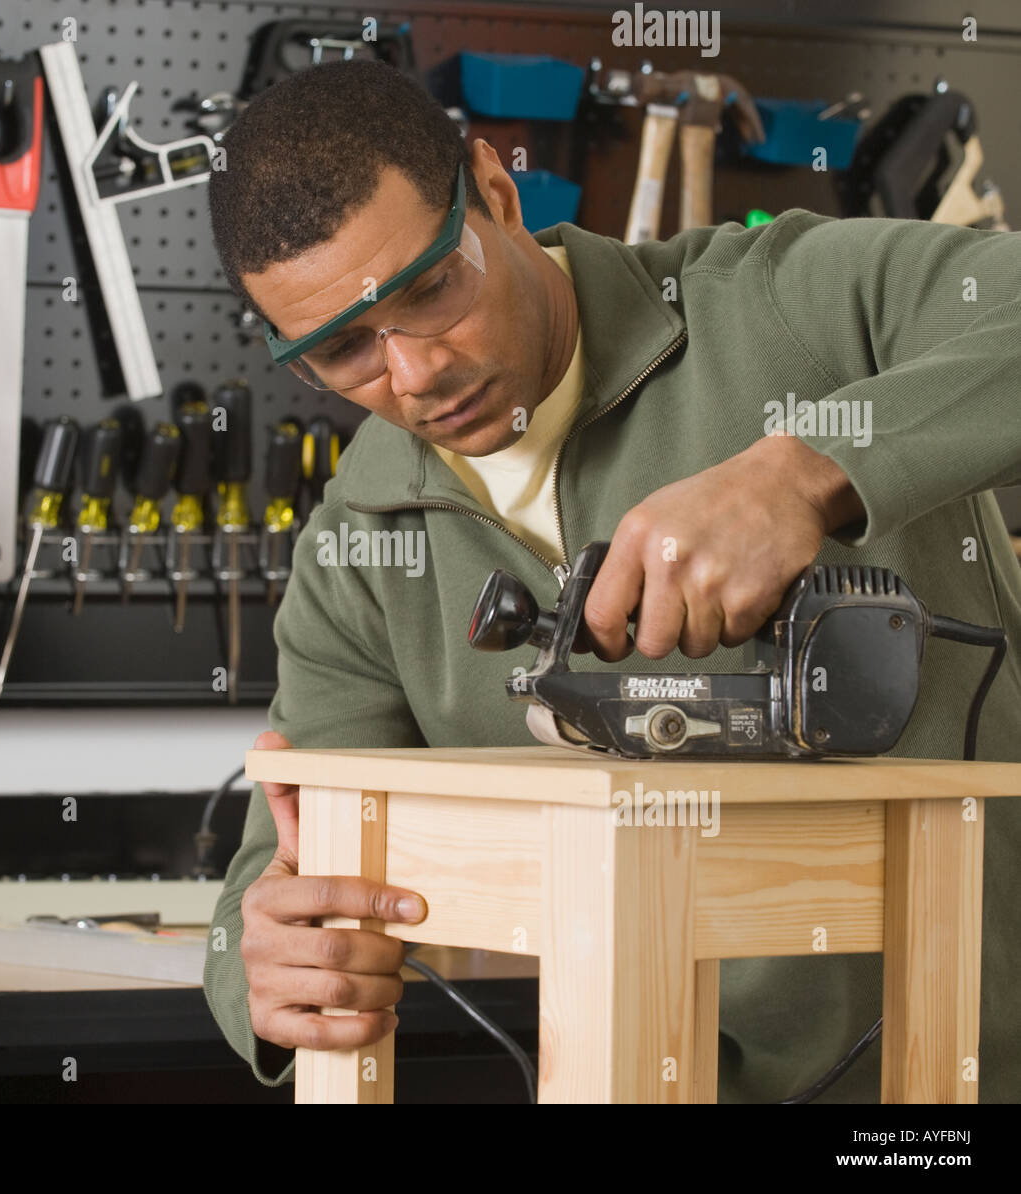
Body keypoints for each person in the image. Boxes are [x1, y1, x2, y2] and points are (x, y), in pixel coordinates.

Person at [203, 58, 1021, 1102]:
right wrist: (260, 965)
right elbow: (278, 868)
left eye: (430, 290)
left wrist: (808, 470)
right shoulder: (360, 554)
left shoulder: (788, 308)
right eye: (342, 351)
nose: (413, 375)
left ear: (495, 193)